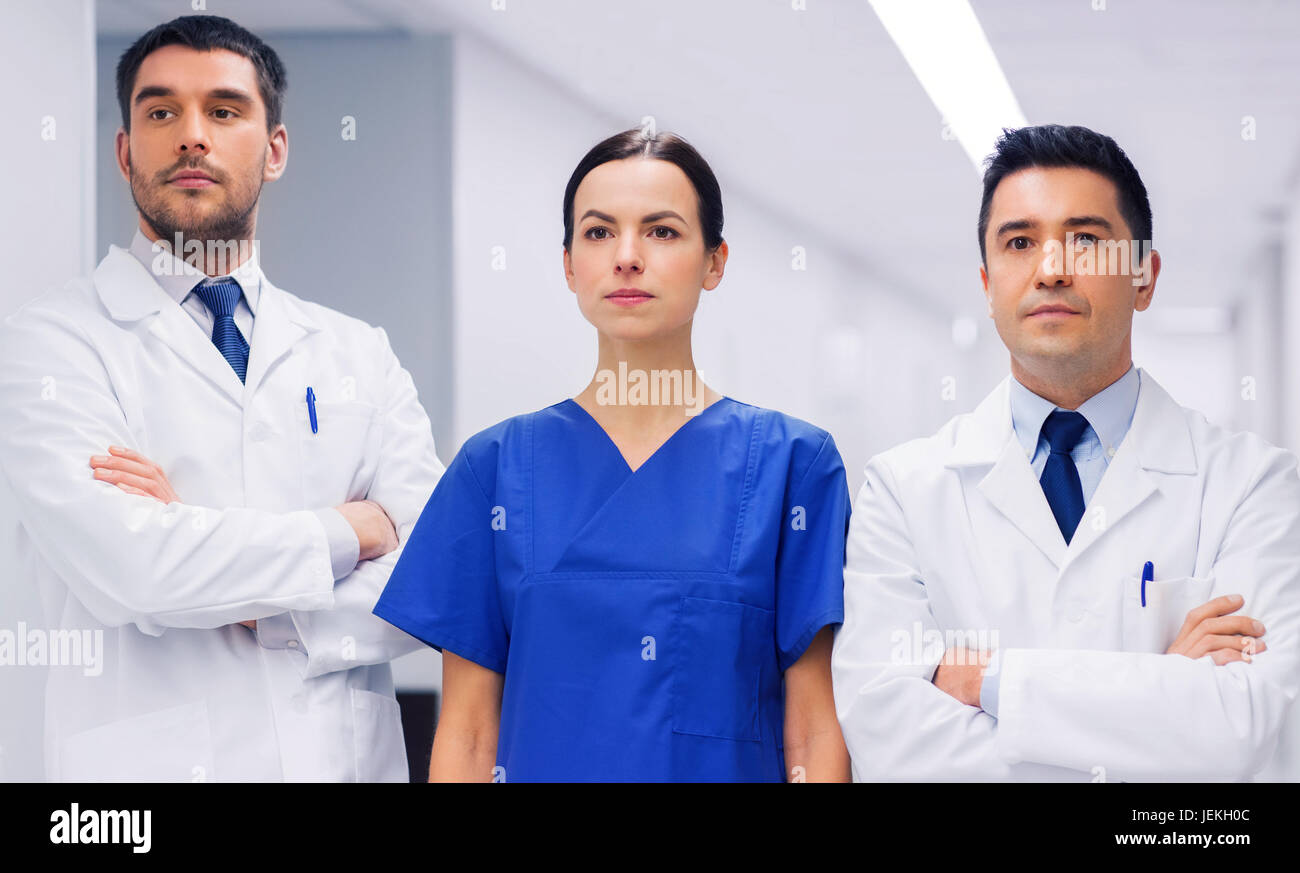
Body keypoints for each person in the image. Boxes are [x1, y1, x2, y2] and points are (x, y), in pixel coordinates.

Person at [0, 15, 442, 781]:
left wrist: (239, 588)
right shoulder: (50, 344)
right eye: (160, 111)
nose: (191, 136)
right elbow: (139, 567)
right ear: (124, 149)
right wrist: (348, 531)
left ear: (275, 150)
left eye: (225, 110)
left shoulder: (356, 351)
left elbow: (430, 580)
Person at [373, 128, 851, 782]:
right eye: (599, 233)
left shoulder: (793, 466)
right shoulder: (493, 470)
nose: (627, 256)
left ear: (715, 262)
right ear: (569, 265)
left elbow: (812, 727)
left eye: (661, 231)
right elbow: (468, 731)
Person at [832, 124, 1300, 781]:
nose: (1052, 268)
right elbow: (893, 747)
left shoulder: (1252, 483)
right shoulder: (903, 491)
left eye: (1085, 239)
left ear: (1144, 276)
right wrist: (1163, 693)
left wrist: (990, 678)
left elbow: (1247, 727)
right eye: (1020, 242)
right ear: (988, 284)